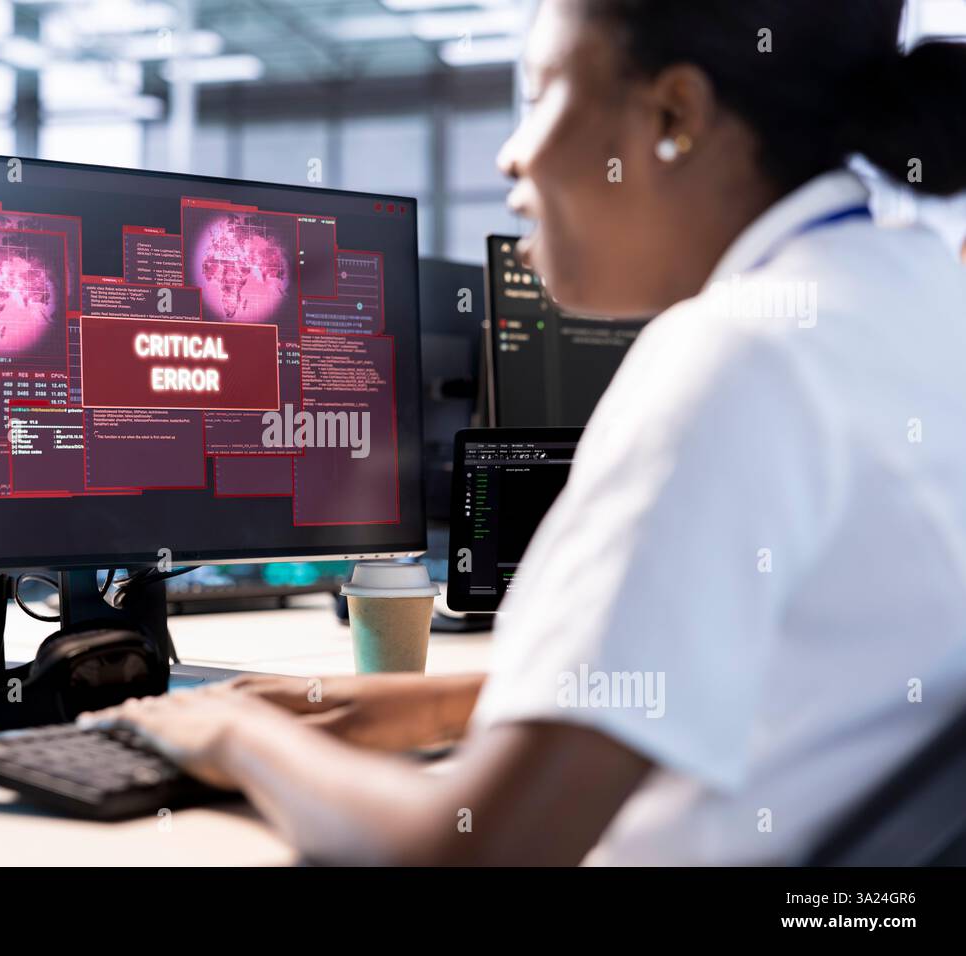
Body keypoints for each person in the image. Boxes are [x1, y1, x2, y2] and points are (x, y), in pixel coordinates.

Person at [87, 0, 966, 865]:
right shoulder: (917, 299)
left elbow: (476, 848)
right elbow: (800, 683)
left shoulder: (737, 359)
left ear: (674, 116)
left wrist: (237, 735)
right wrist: (435, 704)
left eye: (542, 93)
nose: (513, 152)